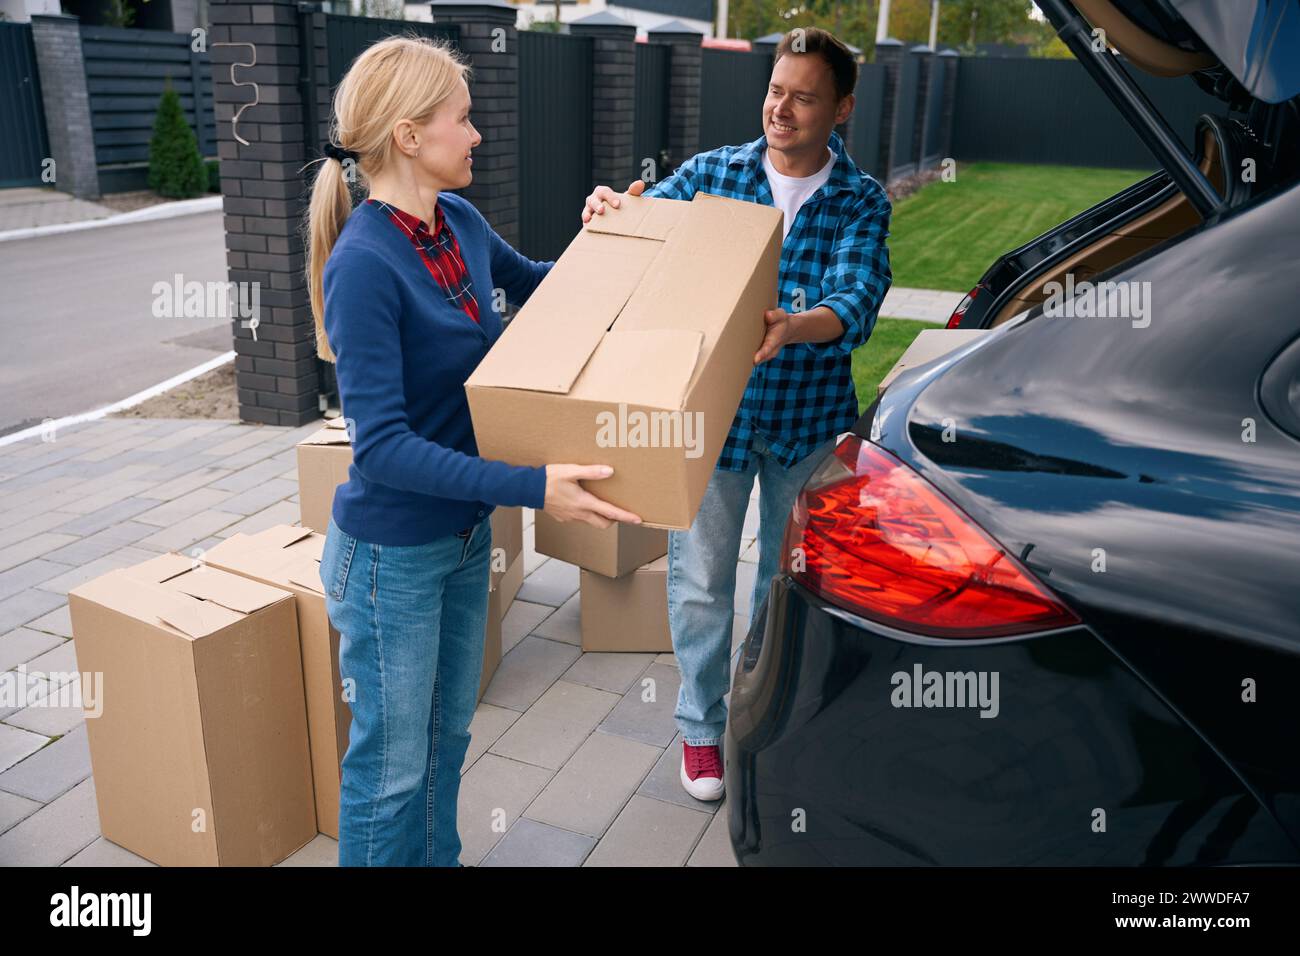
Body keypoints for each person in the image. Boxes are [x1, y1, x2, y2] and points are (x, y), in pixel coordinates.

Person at [305, 35, 640, 866]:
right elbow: (381, 448)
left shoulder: (456, 219)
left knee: (447, 739)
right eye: (463, 117)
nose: (478, 134)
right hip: (391, 558)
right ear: (411, 136)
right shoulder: (364, 265)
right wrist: (535, 486)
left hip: (461, 542)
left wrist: (616, 233)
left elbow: (548, 285)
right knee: (389, 770)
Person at [582, 27, 892, 801]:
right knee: (699, 582)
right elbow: (645, 225)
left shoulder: (860, 200)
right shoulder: (715, 174)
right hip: (712, 418)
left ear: (842, 108)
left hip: (809, 421)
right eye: (775, 90)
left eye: (804, 97)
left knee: (783, 586)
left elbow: (857, 299)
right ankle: (699, 731)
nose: (781, 109)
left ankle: (763, 716)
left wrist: (798, 325)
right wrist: (615, 207)